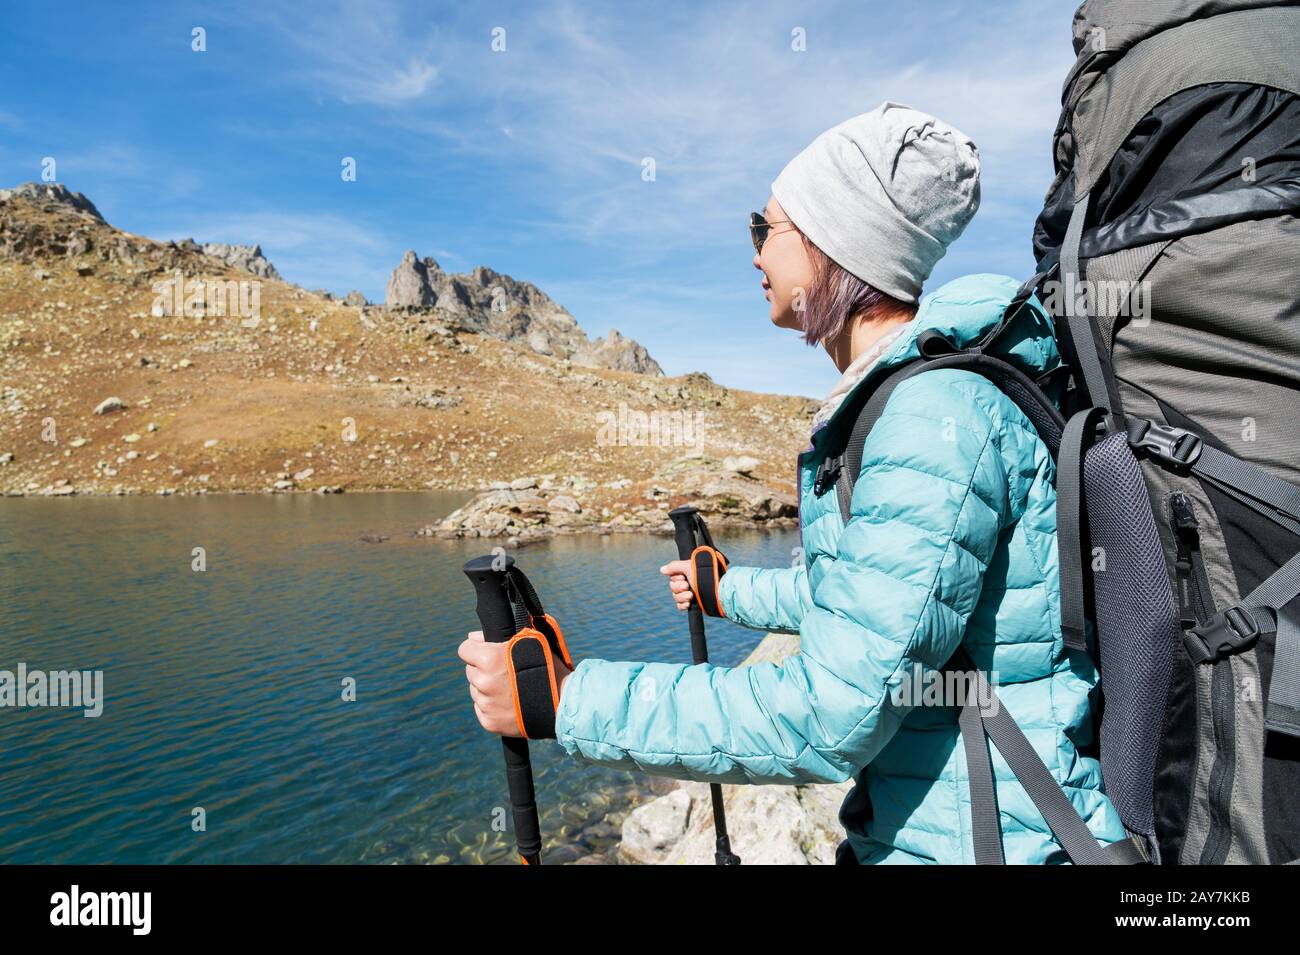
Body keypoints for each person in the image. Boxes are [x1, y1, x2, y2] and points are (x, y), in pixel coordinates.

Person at [460, 102, 1128, 864]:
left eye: (765, 227)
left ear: (836, 240)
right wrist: (726, 589)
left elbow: (836, 709)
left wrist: (566, 701)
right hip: (937, 829)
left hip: (990, 843)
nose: (752, 254)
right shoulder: (906, 400)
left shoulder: (933, 414)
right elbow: (855, 603)